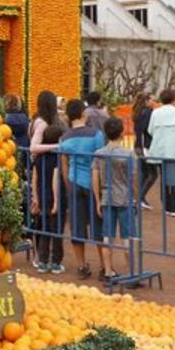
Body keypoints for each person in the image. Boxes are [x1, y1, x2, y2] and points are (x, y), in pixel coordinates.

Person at [58, 99, 106, 279]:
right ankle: (104, 266)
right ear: (83, 114)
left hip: (74, 181)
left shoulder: (65, 137)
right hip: (93, 184)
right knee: (98, 225)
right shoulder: (96, 134)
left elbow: (64, 165)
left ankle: (81, 265)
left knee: (77, 226)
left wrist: (68, 184)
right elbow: (100, 162)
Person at [94, 117, 136, 280]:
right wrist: (136, 197)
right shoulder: (128, 154)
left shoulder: (99, 153)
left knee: (107, 236)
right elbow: (133, 178)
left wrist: (97, 199)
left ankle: (108, 271)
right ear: (122, 133)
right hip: (125, 198)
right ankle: (131, 272)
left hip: (107, 197)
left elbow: (95, 176)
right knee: (127, 238)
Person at [147, 88, 175, 216]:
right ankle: (174, 208)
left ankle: (166, 206)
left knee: (163, 178)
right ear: (174, 99)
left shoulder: (155, 112)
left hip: (159, 149)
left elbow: (150, 130)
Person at [31, 125, 66, 274]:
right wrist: (57, 201)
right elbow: (55, 179)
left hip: (42, 196)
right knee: (56, 230)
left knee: (44, 229)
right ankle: (56, 262)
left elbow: (34, 178)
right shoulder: (57, 158)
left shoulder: (39, 158)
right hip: (53, 197)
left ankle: (43, 261)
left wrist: (36, 198)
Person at [132, 92, 157, 209]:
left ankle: (139, 197)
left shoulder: (137, 112)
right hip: (145, 146)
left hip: (138, 145)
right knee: (153, 174)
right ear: (146, 101)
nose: (154, 101)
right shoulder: (147, 113)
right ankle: (139, 198)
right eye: (152, 99)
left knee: (144, 173)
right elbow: (147, 130)